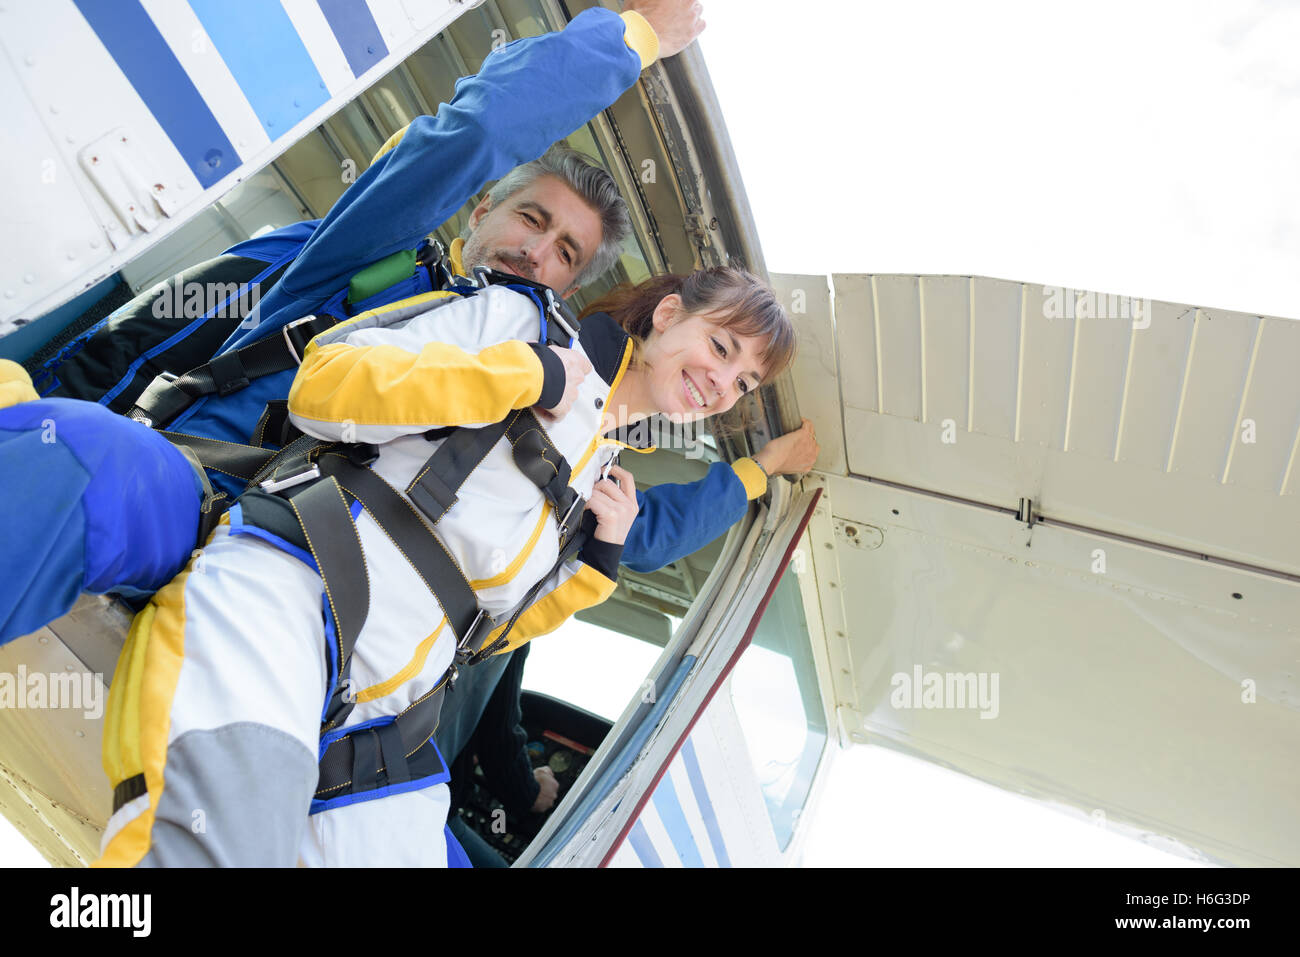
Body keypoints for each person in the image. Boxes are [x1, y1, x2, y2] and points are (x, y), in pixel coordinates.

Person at [0, 0, 751, 645]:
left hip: (298, 617)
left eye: (565, 253)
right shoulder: (375, 254)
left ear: (568, 286)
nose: (536, 252)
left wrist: (755, 474)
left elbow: (618, 523)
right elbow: (477, 134)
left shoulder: (536, 387)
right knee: (74, 461)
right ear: (482, 208)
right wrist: (631, 40)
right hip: (182, 504)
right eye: (531, 217)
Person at [95, 265, 800, 867]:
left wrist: (596, 566)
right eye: (721, 345)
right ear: (669, 314)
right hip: (300, 596)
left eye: (742, 381)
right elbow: (327, 383)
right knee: (206, 838)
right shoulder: (526, 323)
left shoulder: (604, 478)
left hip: (388, 715)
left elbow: (488, 636)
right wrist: (525, 373)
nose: (722, 382)